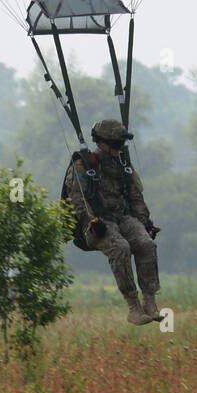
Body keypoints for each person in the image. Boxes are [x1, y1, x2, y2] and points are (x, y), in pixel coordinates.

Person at [64, 119, 163, 326]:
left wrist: (145, 222)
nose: (120, 149)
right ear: (102, 143)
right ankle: (134, 307)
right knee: (121, 248)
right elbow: (77, 200)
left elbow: (135, 196)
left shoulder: (122, 164)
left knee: (146, 244)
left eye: (121, 145)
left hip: (122, 218)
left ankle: (150, 301)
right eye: (116, 145)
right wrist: (90, 220)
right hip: (96, 224)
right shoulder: (83, 165)